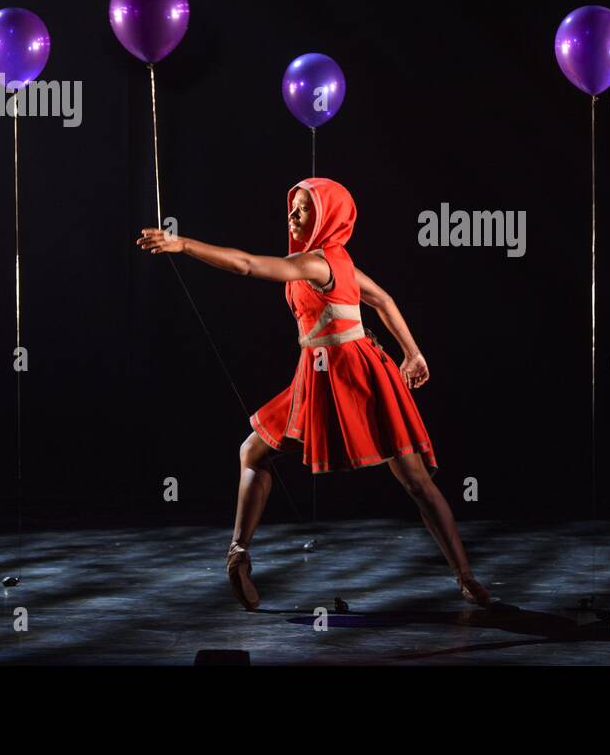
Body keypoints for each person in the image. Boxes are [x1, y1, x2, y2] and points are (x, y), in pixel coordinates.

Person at [136, 176, 492, 611]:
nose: (292, 215)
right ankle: (239, 554)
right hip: (322, 372)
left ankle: (466, 576)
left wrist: (184, 245)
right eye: (293, 206)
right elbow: (383, 300)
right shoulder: (339, 262)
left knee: (415, 479)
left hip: (353, 375)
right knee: (255, 452)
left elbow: (247, 265)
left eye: (303, 209)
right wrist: (413, 354)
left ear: (327, 218)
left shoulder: (317, 263)